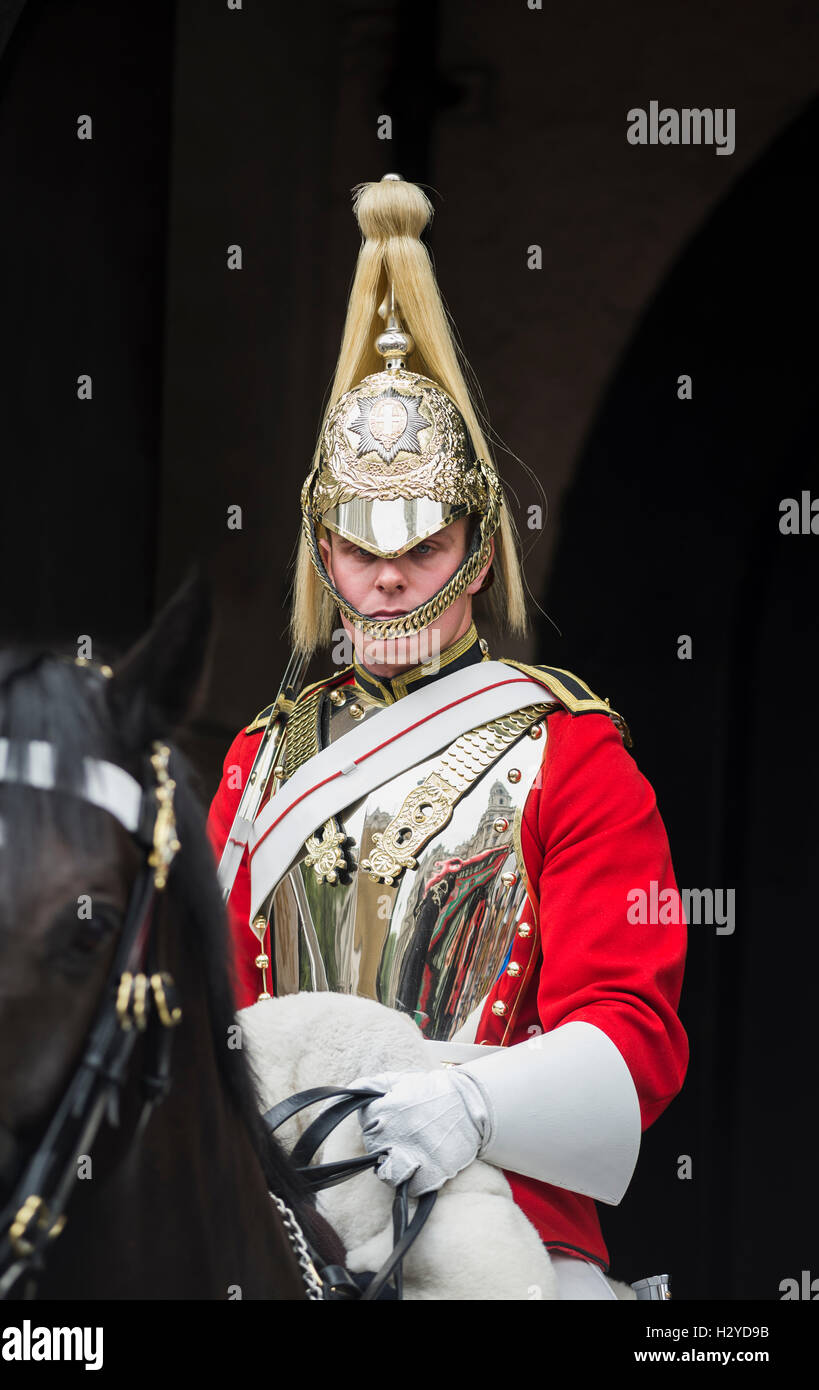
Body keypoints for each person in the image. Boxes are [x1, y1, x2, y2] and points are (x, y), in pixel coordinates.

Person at [207, 174, 688, 1300]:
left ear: (474, 543)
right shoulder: (256, 760)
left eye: (420, 543)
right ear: (321, 547)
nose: (386, 576)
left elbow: (633, 1034)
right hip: (285, 1225)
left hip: (505, 1223)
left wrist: (473, 1101)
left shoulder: (572, 756)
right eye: (358, 541)